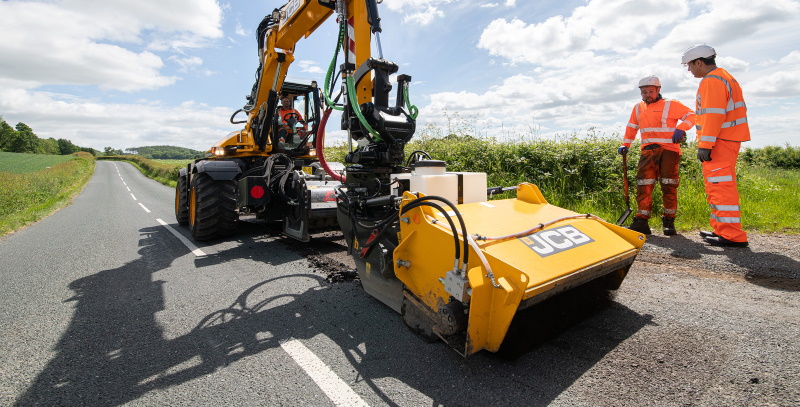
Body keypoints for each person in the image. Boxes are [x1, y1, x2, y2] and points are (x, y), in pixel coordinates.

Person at [682, 44, 750, 247]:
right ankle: (721, 229)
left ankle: (731, 235)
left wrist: (705, 144)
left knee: (721, 188)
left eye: (690, 65)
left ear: (699, 62)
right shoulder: (724, 76)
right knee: (717, 187)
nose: (689, 70)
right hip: (725, 140)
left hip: (719, 142)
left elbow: (713, 115)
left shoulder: (712, 80)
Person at [618, 75, 695, 235]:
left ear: (658, 90)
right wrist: (625, 144)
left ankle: (669, 222)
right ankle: (641, 221)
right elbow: (632, 127)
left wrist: (681, 128)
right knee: (644, 185)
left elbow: (692, 116)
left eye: (651, 91)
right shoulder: (638, 108)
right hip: (648, 151)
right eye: (644, 92)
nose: (647, 95)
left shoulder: (671, 104)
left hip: (669, 151)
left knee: (669, 185)